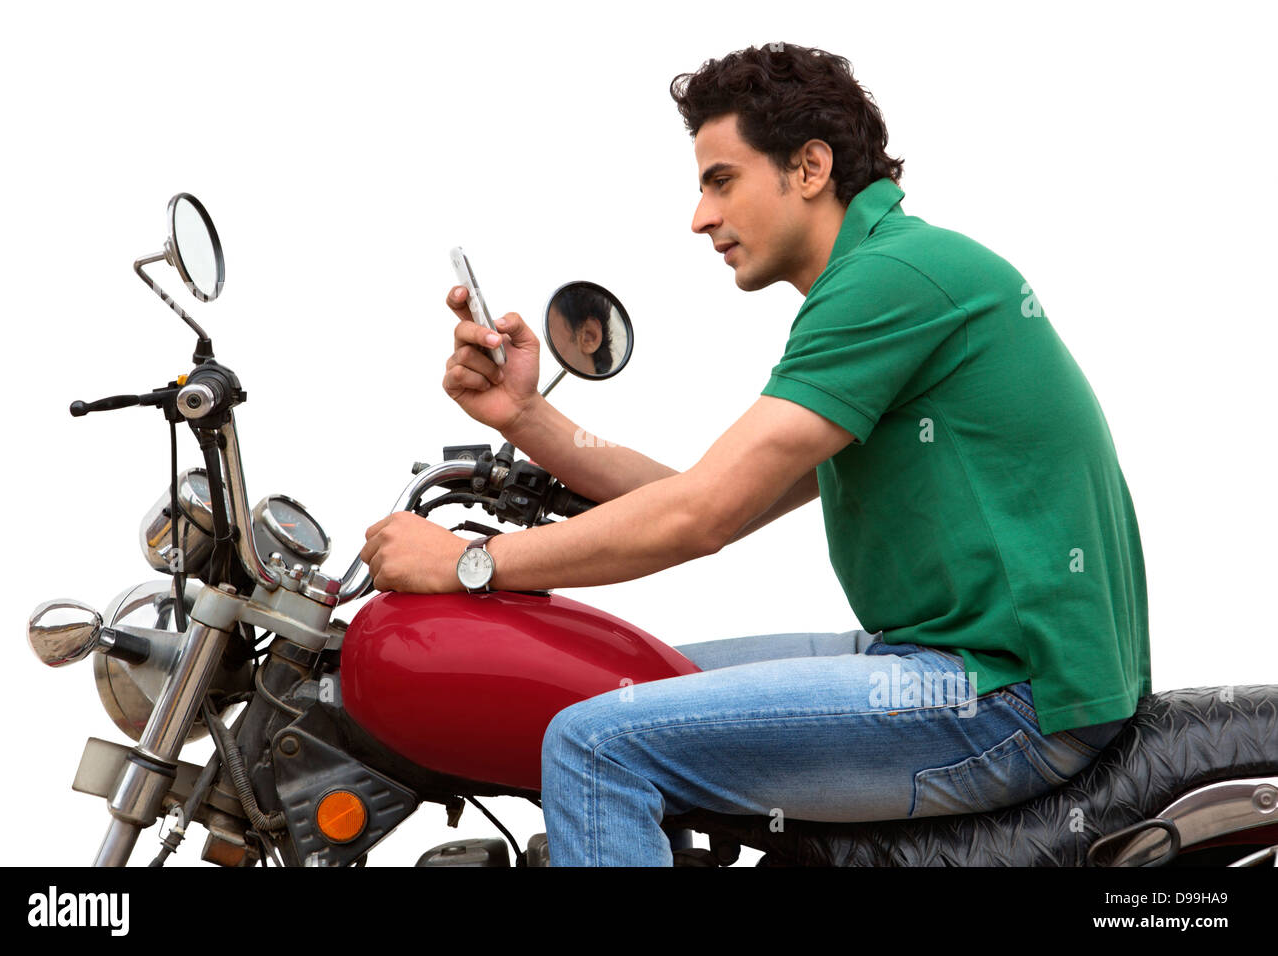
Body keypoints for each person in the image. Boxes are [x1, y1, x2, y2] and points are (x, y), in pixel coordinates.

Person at [359, 42, 1150, 866]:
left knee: (596, 744)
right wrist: (525, 415)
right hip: (951, 663)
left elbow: (701, 517)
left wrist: (471, 564)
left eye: (720, 180)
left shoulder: (893, 281)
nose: (699, 216)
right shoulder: (889, 276)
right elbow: (700, 495)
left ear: (809, 167)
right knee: (608, 689)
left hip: (1005, 697)